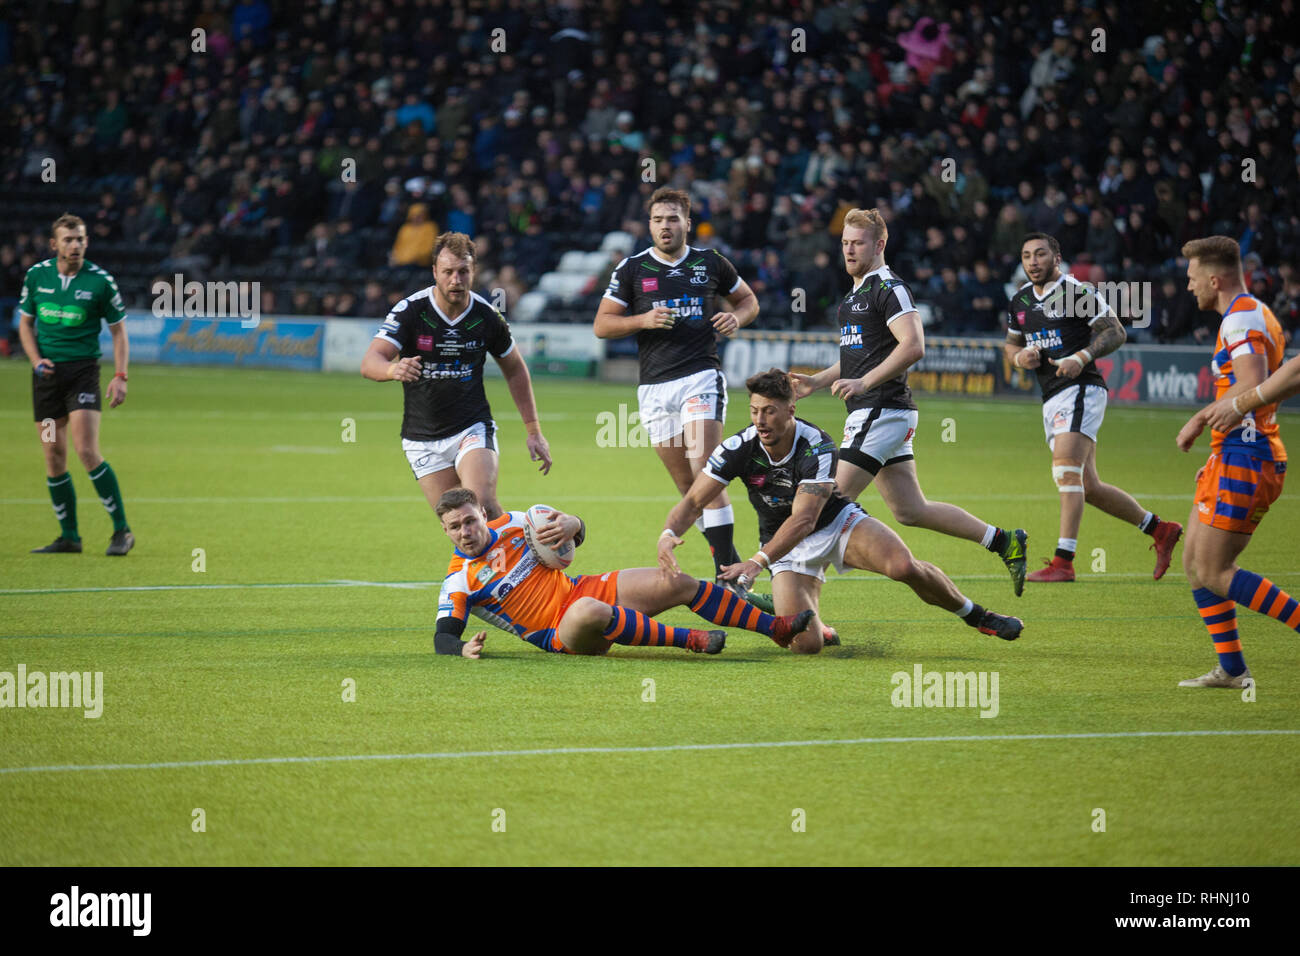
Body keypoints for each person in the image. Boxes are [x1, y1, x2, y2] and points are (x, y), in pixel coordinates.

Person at [658, 369, 1025, 654]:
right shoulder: (738, 447)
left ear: (791, 409)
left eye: (769, 411)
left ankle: (978, 615)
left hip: (835, 524)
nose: (761, 420)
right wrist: (668, 534)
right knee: (806, 645)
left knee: (903, 567)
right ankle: (816, 621)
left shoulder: (816, 445)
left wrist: (756, 562)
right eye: (754, 411)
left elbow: (805, 519)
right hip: (784, 546)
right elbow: (693, 501)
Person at [790, 208, 1029, 596]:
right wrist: (816, 381)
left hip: (880, 410)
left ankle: (792, 592)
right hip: (883, 413)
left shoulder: (888, 287)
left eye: (858, 243)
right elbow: (856, 355)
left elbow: (914, 344)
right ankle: (1004, 541)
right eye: (845, 243)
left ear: (880, 244)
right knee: (910, 510)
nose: (849, 250)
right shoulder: (855, 294)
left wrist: (865, 381)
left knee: (823, 504)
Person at [593, 187, 766, 601]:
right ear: (649, 225)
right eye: (658, 219)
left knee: (707, 469)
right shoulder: (632, 269)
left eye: (673, 219)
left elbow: (748, 301)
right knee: (690, 487)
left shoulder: (710, 263)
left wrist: (735, 317)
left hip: (699, 376)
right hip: (654, 388)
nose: (665, 226)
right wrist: (643, 319)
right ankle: (730, 564)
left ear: (688, 222)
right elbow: (602, 325)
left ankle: (728, 578)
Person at [433, 488, 813, 658]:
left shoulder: (517, 522)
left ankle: (775, 630)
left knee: (675, 581)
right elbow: (442, 638)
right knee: (587, 610)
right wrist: (462, 647)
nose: (465, 532)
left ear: (483, 514)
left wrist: (572, 523)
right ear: (446, 531)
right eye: (455, 527)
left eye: (469, 521)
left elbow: (574, 536)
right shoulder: (459, 580)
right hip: (558, 631)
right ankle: (689, 640)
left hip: (582, 587)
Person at [1003, 232, 1181, 582]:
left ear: (1057, 258)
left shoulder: (1076, 293)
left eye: (1040, 254)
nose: (1033, 262)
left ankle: (1063, 563)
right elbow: (1010, 347)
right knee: (1090, 487)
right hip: (1052, 395)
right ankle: (1159, 529)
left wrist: (1081, 357)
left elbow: (1115, 331)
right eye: (1027, 256)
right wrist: (1020, 358)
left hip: (1081, 389)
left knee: (1065, 473)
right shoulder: (1020, 301)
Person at [361, 232, 551, 519]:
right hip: (421, 437)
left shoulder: (487, 316)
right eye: (448, 271)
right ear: (435, 271)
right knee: (459, 523)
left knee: (481, 504)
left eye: (463, 271)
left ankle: (524, 562)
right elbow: (370, 361)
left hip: (470, 428)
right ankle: (492, 564)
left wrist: (534, 431)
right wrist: (392, 369)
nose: (456, 279)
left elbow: (515, 369)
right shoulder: (411, 311)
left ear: (473, 271)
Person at [1174, 236, 1292, 688]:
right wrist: (1203, 418)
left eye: (1192, 279)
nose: (1189, 287)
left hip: (1247, 454)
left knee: (1215, 571)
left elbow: (1252, 381)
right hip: (1232, 452)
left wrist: (1220, 415)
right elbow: (1243, 388)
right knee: (1194, 564)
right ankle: (1232, 669)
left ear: (1214, 278)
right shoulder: (1247, 312)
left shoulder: (1241, 316)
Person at [18, 213, 134, 556]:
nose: (76, 245)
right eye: (68, 240)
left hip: (81, 376)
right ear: (54, 244)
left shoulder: (101, 282)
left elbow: (118, 331)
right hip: (47, 381)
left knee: (85, 450)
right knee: (53, 454)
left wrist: (120, 375)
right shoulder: (36, 276)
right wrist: (36, 361)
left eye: (80, 239)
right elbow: (25, 325)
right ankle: (69, 537)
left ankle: (121, 531)